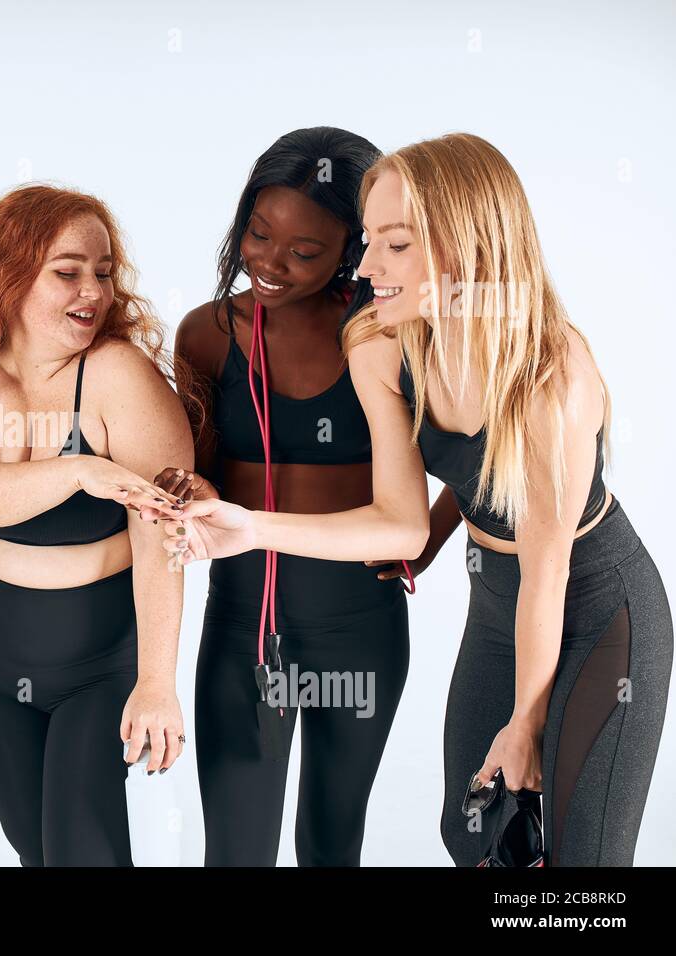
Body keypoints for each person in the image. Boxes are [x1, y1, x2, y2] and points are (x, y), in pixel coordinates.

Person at [159, 132, 673, 866]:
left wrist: (526, 722)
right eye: (368, 241)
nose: (365, 267)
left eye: (393, 246)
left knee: (582, 862)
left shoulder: (555, 377)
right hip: (499, 600)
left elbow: (548, 571)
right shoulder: (380, 340)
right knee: (472, 835)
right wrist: (245, 523)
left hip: (597, 604)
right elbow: (401, 523)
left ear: (468, 247)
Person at [0, 184, 193, 865]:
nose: (93, 292)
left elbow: (163, 534)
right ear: (5, 277)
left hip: (100, 663)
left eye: (103, 273)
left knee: (83, 851)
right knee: (35, 850)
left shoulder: (116, 374)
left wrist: (157, 680)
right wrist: (78, 472)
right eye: (67, 272)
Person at [163, 127, 414, 866]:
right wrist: (188, 486)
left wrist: (423, 540)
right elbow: (200, 471)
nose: (270, 264)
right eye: (258, 235)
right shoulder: (208, 336)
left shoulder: (385, 333)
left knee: (332, 845)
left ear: (354, 246)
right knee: (235, 853)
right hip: (245, 628)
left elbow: (478, 455)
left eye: (303, 252)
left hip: (359, 627)